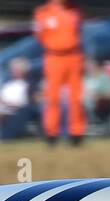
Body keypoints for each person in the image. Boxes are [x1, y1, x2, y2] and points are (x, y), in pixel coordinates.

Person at [33, 0, 86, 146]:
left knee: (76, 97)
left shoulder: (74, 9)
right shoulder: (43, 12)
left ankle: (76, 133)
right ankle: (51, 134)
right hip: (54, 57)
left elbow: (78, 30)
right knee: (52, 98)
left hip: (73, 56)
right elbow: (40, 35)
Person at [0, 58, 36, 141]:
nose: (13, 71)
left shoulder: (27, 84)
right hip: (1, 106)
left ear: (23, 71)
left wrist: (6, 104)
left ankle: (5, 138)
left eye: (16, 70)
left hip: (16, 108)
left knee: (13, 113)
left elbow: (25, 102)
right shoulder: (8, 84)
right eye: (13, 69)